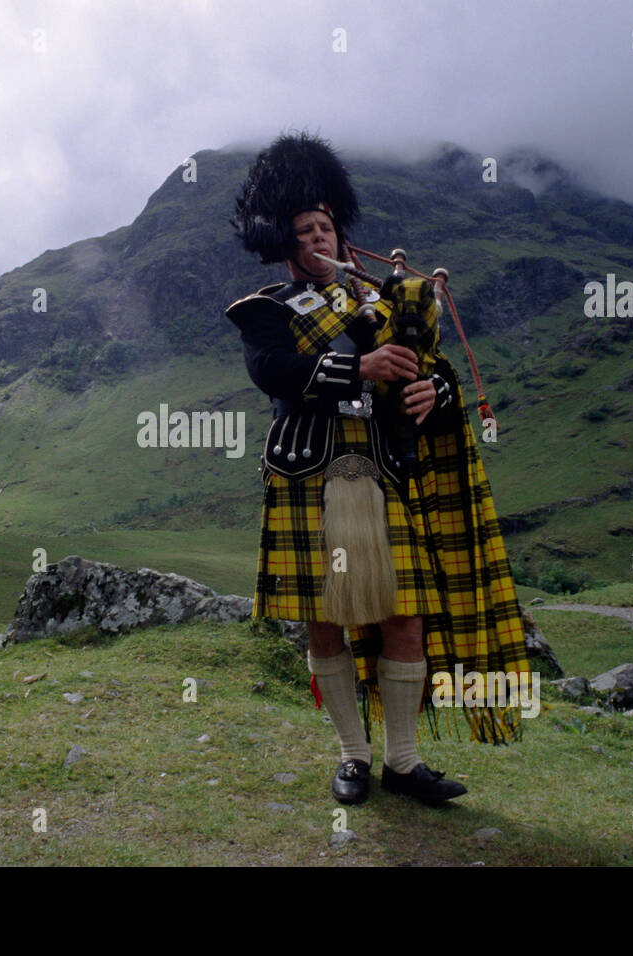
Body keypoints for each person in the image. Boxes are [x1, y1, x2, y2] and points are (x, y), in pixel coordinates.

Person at [224, 131, 530, 806]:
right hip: (309, 473)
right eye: (304, 230)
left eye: (326, 225)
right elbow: (271, 372)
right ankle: (353, 758)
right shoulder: (265, 311)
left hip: (383, 472)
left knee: (406, 619)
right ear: (283, 239)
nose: (319, 238)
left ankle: (403, 762)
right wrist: (357, 363)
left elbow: (427, 372)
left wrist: (435, 391)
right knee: (324, 621)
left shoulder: (387, 303)